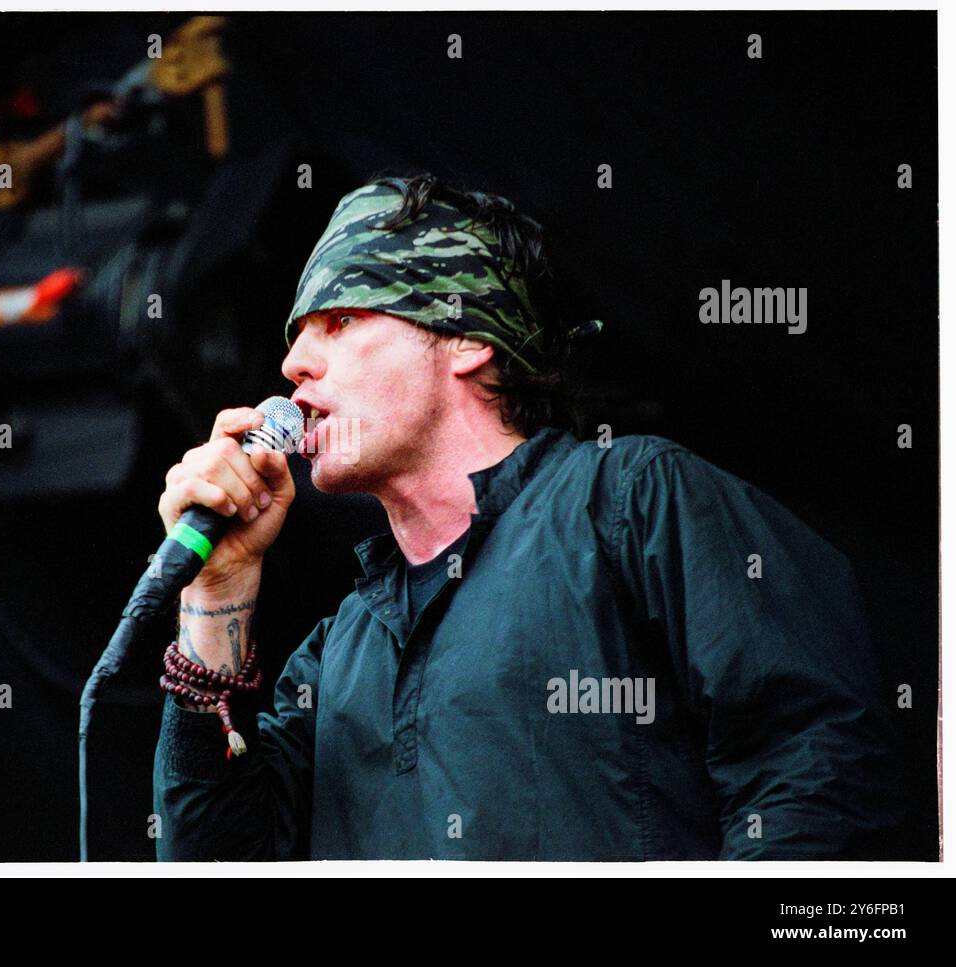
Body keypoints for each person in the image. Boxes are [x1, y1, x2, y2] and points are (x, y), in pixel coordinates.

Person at [151, 172, 898, 860]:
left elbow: (818, 768)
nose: (294, 364)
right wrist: (217, 590)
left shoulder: (631, 499)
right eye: (295, 335)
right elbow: (215, 863)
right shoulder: (338, 650)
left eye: (340, 319)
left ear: (469, 338)